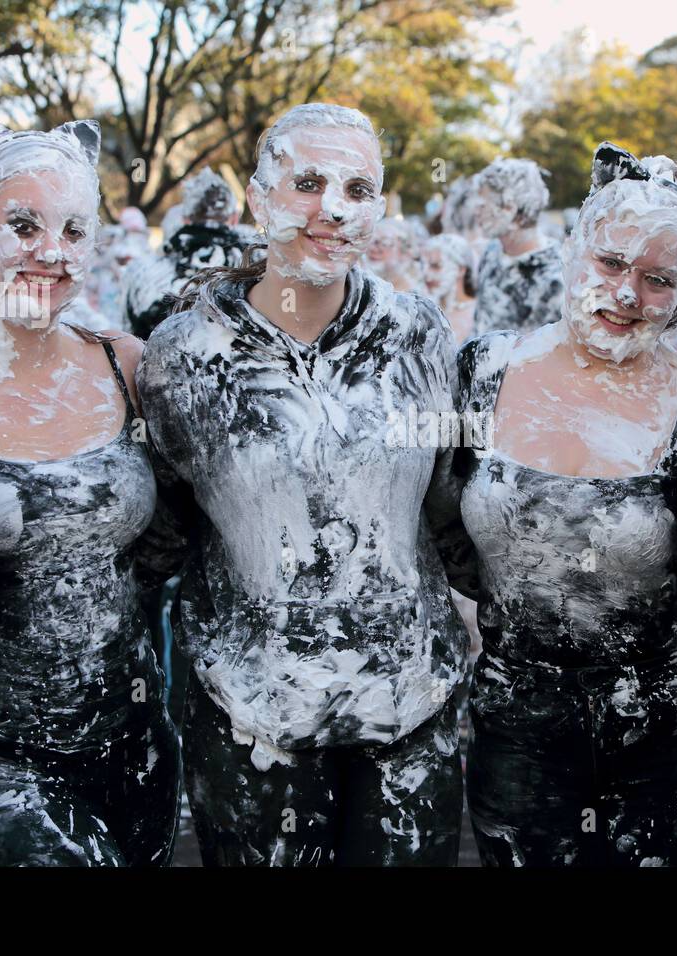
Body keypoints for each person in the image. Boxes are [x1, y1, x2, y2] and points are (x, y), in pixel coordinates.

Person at [137, 103, 468, 867]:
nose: (334, 208)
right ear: (259, 198)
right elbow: (164, 530)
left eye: (358, 188)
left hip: (409, 705)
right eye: (308, 182)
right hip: (252, 713)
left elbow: (446, 502)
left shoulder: (416, 331)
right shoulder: (185, 354)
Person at [436, 143, 677, 866]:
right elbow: (446, 516)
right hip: (514, 718)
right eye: (610, 263)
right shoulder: (487, 369)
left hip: (663, 731)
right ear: (573, 252)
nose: (628, 294)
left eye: (657, 279)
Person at [0, 114, 181, 866]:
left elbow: (187, 530)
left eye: (75, 230)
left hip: (135, 741)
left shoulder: (128, 366)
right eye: (24, 224)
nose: (52, 252)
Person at [122, 167, 252, 339]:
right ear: (234, 219)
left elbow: (128, 341)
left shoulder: (141, 272)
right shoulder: (254, 268)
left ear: (185, 219)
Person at [471, 158, 563, 335]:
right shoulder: (492, 252)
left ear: (510, 209)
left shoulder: (556, 276)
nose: (476, 211)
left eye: (483, 204)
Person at [420, 233, 477, 342]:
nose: (425, 274)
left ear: (460, 270)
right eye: (423, 265)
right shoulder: (423, 313)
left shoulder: (478, 314)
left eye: (435, 266)